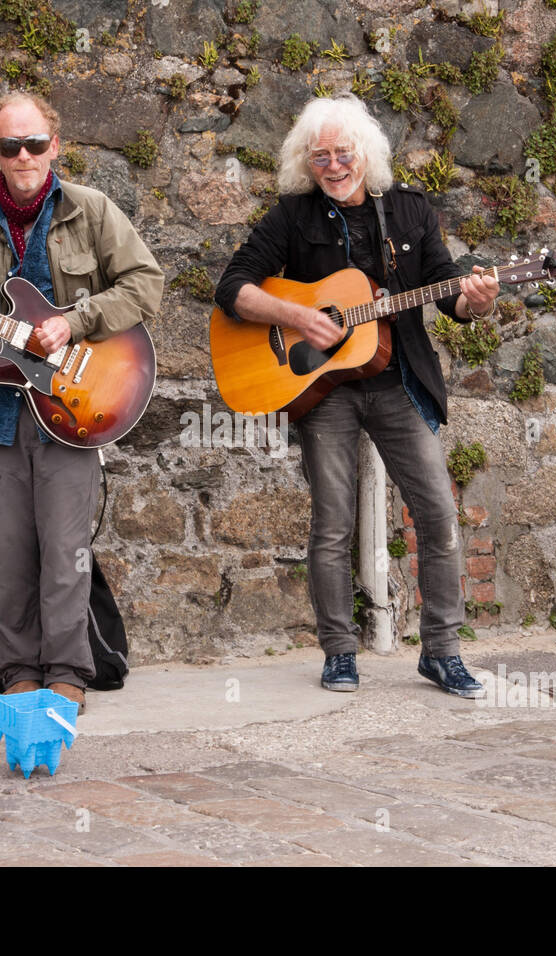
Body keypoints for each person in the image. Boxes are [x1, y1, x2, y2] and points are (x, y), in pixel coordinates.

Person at [214, 94, 500, 696]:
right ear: (306, 162)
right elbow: (232, 289)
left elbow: (444, 286)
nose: (335, 166)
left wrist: (471, 301)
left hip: (398, 382)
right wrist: (298, 314)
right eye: (321, 157)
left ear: (366, 153)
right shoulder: (292, 219)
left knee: (439, 514)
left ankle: (443, 651)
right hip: (328, 392)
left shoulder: (411, 212)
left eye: (344, 153)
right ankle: (339, 651)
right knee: (332, 525)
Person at [0, 92, 163, 712]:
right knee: (3, 554)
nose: (23, 155)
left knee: (64, 551)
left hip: (71, 409)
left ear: (55, 145)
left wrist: (76, 321)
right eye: (10, 146)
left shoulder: (92, 210)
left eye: (34, 144)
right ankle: (19, 673)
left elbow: (146, 284)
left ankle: (67, 673)